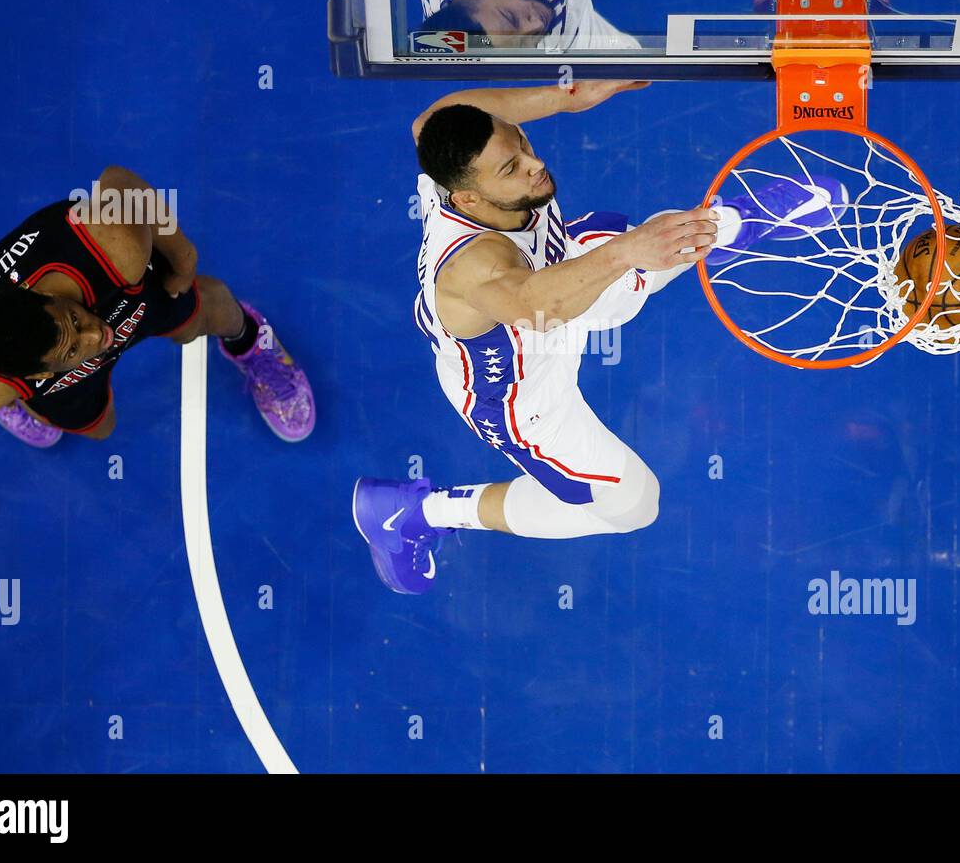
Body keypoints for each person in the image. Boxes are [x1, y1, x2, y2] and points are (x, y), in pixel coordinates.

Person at [352, 82, 842, 593]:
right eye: (511, 169)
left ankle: (736, 222)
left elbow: (440, 112)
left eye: (521, 147)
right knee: (633, 503)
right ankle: (417, 512)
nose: (532, 165)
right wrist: (627, 252)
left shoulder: (457, 153)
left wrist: (568, 96)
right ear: (467, 197)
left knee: (648, 244)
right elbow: (539, 307)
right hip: (521, 388)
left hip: (559, 271)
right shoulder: (472, 267)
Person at [0, 166, 315, 446]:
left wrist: (183, 260)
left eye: (74, 319)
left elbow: (120, 184)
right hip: (53, 376)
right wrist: (30, 391)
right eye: (73, 345)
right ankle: (25, 399)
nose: (97, 333)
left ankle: (252, 343)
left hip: (119, 290)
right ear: (33, 377)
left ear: (45, 297)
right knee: (101, 427)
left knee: (202, 313)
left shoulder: (110, 244)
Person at [417, 0, 638, 50]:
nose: (536, 25)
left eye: (510, 17)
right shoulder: (559, 41)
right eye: (527, 41)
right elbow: (631, 54)